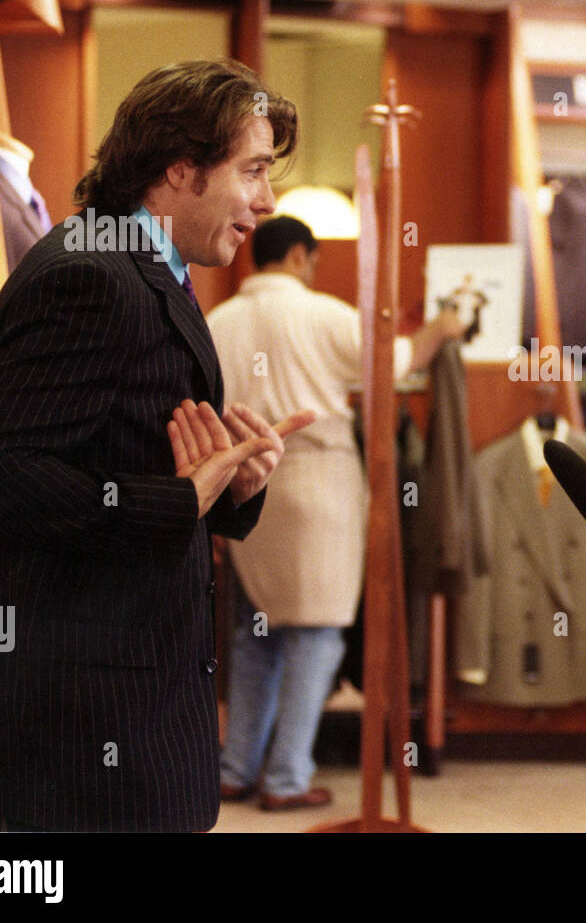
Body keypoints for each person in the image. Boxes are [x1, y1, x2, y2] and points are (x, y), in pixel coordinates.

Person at [0, 59, 316, 832]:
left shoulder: (147, 270)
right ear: (180, 169)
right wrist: (178, 500)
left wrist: (230, 487)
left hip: (122, 718)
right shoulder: (95, 279)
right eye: (251, 172)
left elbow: (122, 461)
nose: (266, 202)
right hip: (76, 740)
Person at [206, 215, 464, 810]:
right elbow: (392, 362)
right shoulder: (319, 313)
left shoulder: (219, 322)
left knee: (257, 630)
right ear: (299, 256)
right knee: (317, 631)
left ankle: (237, 767)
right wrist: (441, 330)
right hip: (318, 478)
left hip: (245, 480)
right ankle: (287, 778)